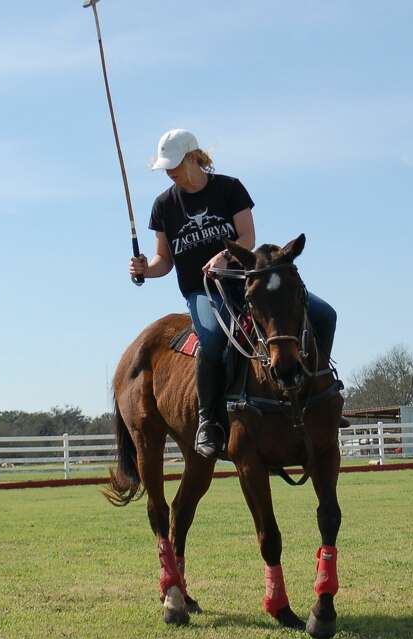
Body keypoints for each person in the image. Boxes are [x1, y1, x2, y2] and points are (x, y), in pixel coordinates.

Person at [130, 129, 337, 460]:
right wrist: (145, 269)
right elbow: (164, 261)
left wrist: (226, 256)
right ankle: (209, 421)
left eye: (174, 164)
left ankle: (317, 395)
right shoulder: (164, 205)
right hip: (204, 291)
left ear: (193, 158)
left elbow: (247, 235)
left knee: (325, 315)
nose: (169, 172)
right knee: (212, 339)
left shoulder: (229, 188)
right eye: (165, 167)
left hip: (246, 278)